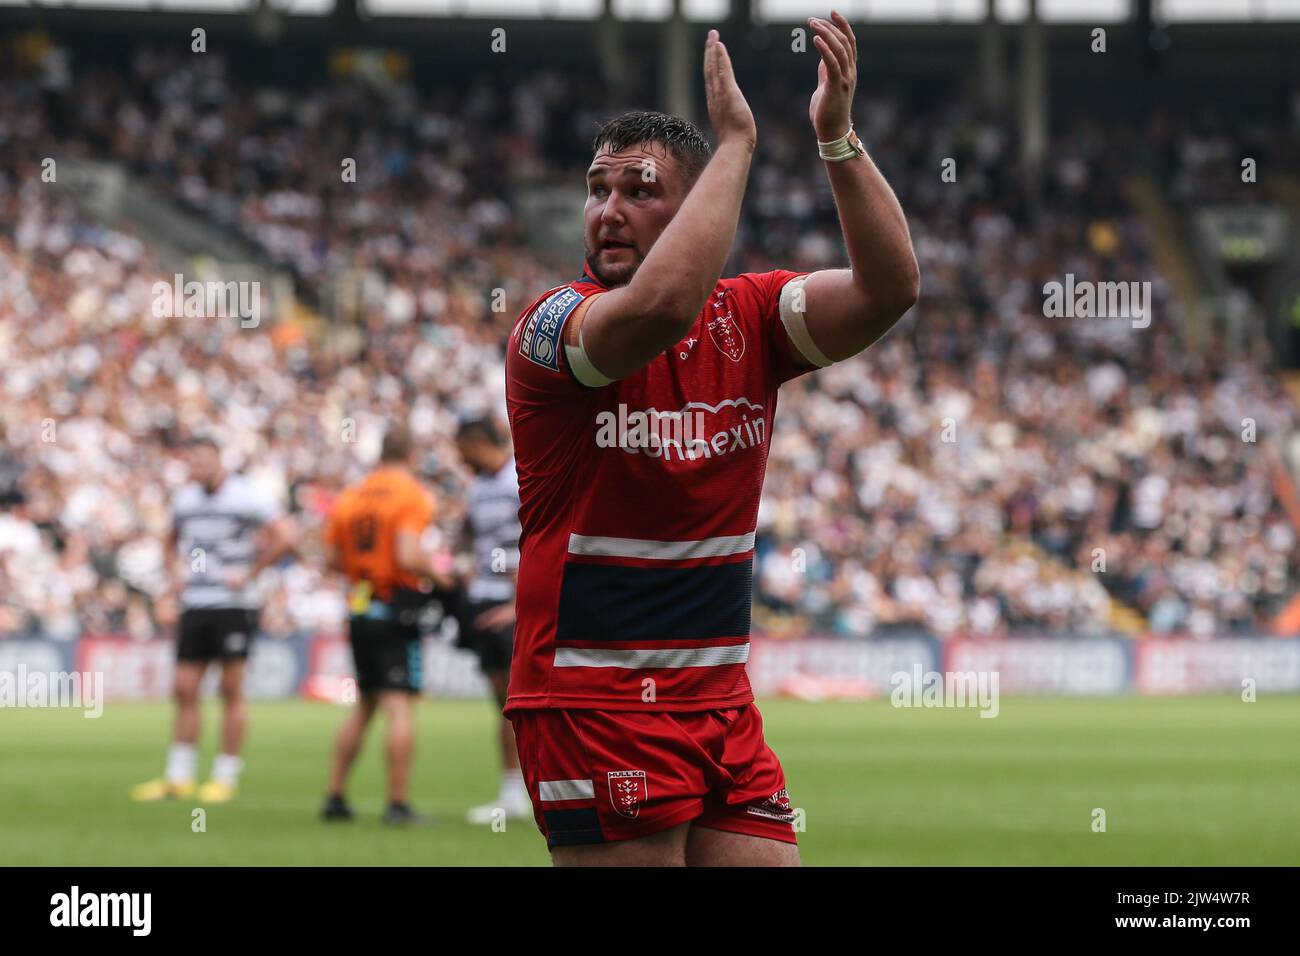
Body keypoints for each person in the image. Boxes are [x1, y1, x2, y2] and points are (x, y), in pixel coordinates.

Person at [503, 17, 918, 865]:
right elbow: (658, 309)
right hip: (595, 701)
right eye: (597, 189)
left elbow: (889, 289)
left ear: (700, 205)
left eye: (640, 189)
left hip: (720, 704)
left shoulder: (752, 318)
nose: (609, 210)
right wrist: (736, 143)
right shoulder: (553, 327)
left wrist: (835, 138)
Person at [131, 436, 297, 804]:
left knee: (230, 689)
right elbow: (168, 540)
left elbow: (287, 535)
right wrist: (173, 577)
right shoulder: (184, 500)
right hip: (196, 602)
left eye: (204, 461)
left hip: (233, 604)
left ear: (219, 461)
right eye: (193, 462)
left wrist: (252, 573)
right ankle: (179, 777)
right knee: (185, 688)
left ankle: (225, 776)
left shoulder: (246, 495)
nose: (198, 468)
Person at [320, 425, 446, 826]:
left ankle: (335, 795)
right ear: (410, 456)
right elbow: (408, 554)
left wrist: (363, 576)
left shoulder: (351, 495)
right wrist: (445, 578)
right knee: (399, 704)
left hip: (360, 607)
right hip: (395, 608)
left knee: (365, 703)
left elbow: (330, 558)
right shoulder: (411, 494)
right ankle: (397, 803)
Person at [453, 417, 530, 824]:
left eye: (460, 446)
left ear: (475, 441)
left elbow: (538, 538)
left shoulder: (519, 478)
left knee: (523, 704)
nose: (457, 456)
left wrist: (521, 603)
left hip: (513, 605)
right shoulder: (479, 487)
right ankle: (513, 792)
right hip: (484, 602)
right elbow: (466, 534)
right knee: (503, 704)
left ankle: (533, 790)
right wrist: (465, 564)